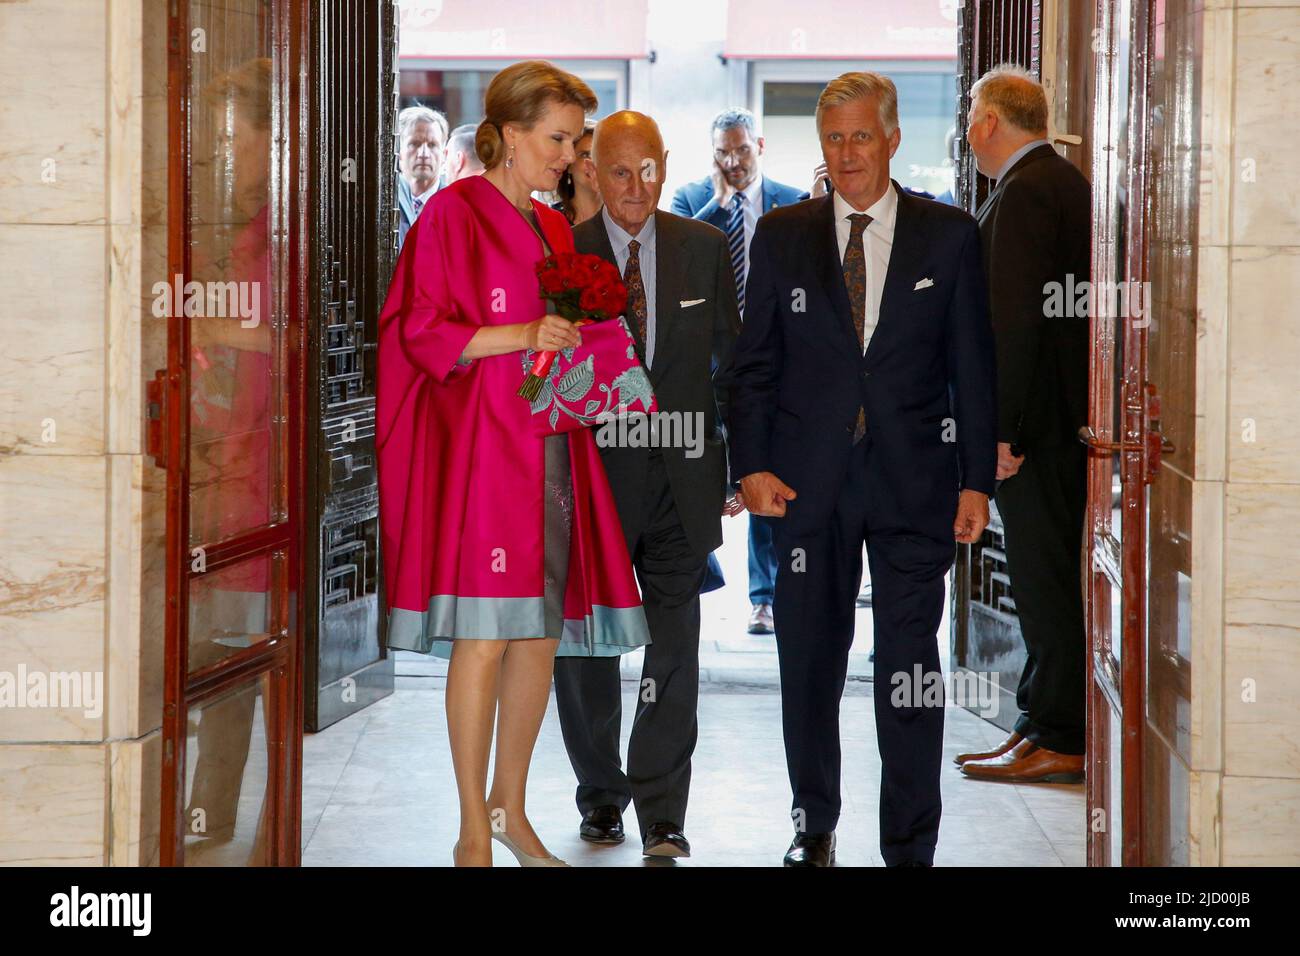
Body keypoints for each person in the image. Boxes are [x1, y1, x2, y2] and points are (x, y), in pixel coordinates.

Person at [376, 60, 651, 868]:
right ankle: (471, 829)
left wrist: (593, 356)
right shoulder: (450, 216)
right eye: (559, 139)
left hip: (552, 450)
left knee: (538, 638)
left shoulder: (554, 226)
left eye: (575, 140)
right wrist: (522, 337)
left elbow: (558, 335)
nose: (571, 156)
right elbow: (417, 331)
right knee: (487, 640)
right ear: (508, 134)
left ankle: (511, 812)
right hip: (484, 450)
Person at [725, 71, 997, 867]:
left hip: (917, 488)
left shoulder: (948, 237)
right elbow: (752, 368)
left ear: (893, 138)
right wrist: (750, 467)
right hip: (806, 489)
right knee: (808, 659)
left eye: (861, 136)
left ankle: (910, 844)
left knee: (911, 669)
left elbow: (973, 369)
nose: (847, 154)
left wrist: (975, 478)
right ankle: (814, 822)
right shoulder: (783, 235)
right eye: (834, 138)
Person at [553, 111, 743, 859]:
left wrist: (738, 464)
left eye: (650, 171)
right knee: (590, 650)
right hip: (592, 485)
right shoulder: (563, 253)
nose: (636, 188)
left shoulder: (704, 247)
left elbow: (733, 366)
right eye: (620, 172)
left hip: (683, 483)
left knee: (673, 648)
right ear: (593, 171)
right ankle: (601, 793)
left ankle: (663, 808)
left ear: (667, 167)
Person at [957, 64, 1090, 784]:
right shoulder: (1048, 181)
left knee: (1043, 584)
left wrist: (998, 432)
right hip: (1052, 425)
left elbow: (1014, 322)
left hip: (1036, 432)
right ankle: (1038, 721)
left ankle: (1061, 734)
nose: (969, 129)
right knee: (1043, 582)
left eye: (972, 115)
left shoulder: (1030, 190)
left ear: (989, 123)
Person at [670, 107, 808, 636]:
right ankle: (695, 568)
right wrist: (719, 204)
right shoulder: (691, 202)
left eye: (741, 150)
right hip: (712, 363)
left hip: (776, 361)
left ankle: (764, 595)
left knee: (766, 468)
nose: (733, 161)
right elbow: (679, 246)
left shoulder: (791, 201)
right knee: (712, 471)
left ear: (760, 146)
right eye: (723, 153)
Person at [396, 105, 448, 248]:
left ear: (444, 154)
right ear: (399, 152)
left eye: (432, 145)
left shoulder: (455, 207)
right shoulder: (385, 202)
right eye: (415, 144)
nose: (424, 154)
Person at [551, 119, 602, 225]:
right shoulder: (550, 220)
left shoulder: (623, 217)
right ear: (569, 165)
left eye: (599, 155)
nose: (593, 163)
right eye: (585, 155)